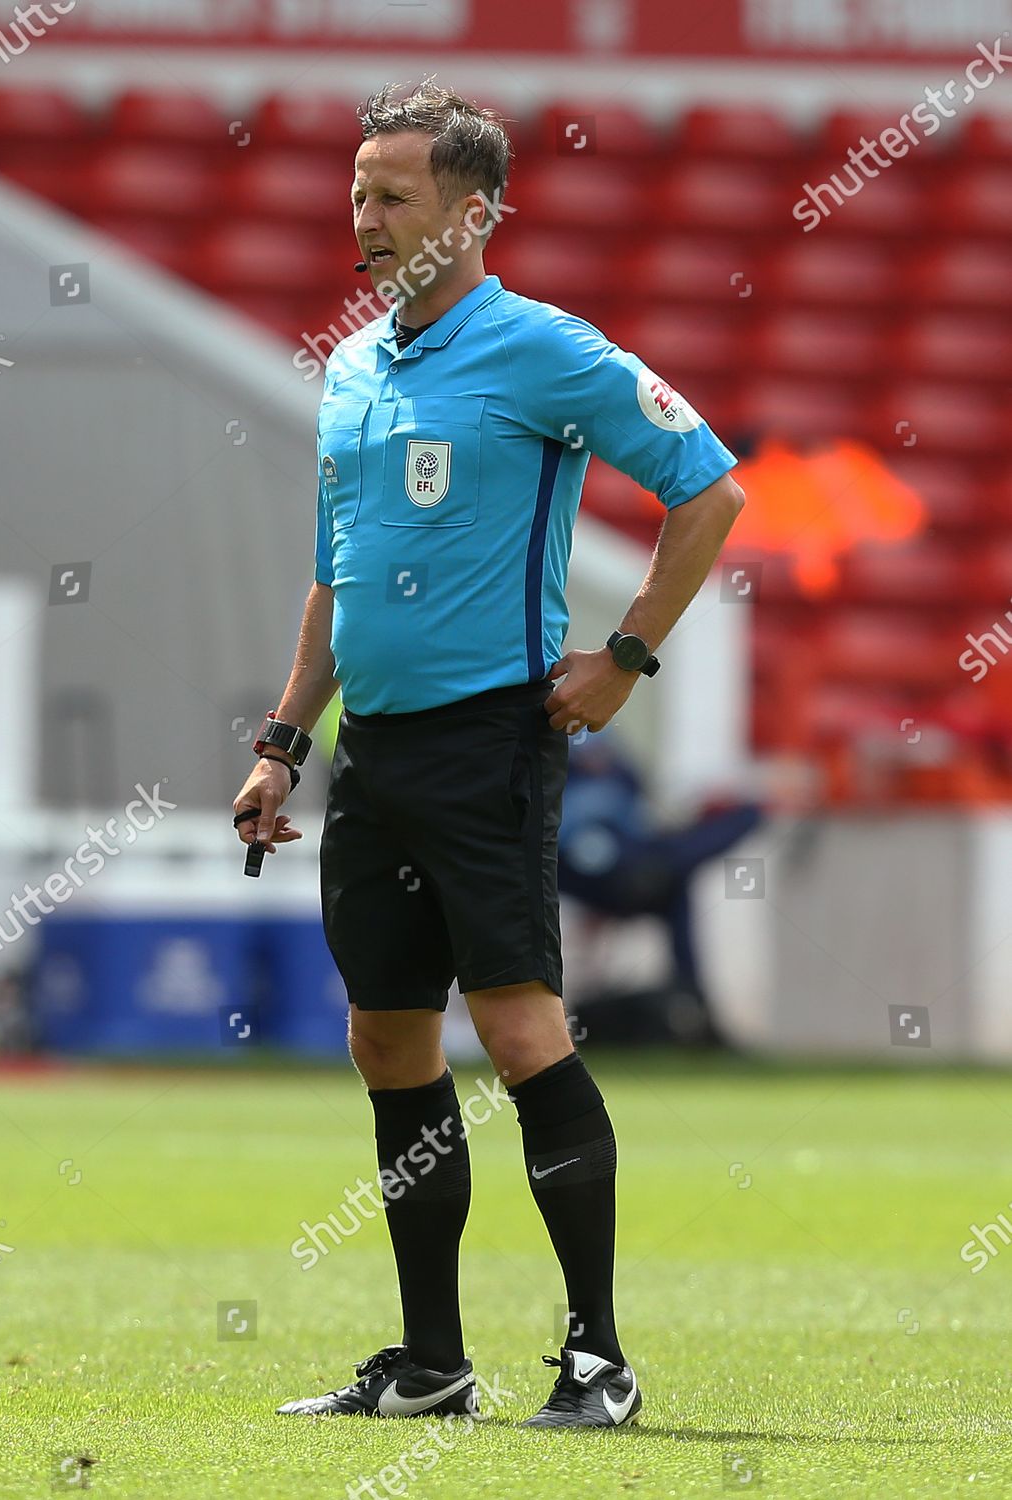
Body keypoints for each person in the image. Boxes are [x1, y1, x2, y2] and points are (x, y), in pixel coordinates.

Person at [233, 79, 744, 1429]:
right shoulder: (351, 367)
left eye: (394, 195)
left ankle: (594, 1362)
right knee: (387, 1040)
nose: (367, 215)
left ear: (474, 214)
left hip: (488, 742)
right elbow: (333, 578)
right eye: (357, 192)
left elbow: (708, 489)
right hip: (375, 755)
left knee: (517, 1030)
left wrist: (622, 657)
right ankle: (428, 1361)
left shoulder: (546, 352)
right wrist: (285, 741)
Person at [558, 737, 764, 1040]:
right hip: (590, 875)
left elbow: (647, 816)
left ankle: (693, 1003)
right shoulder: (555, 775)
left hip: (640, 862)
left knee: (677, 880)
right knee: (669, 873)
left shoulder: (623, 775)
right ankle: (696, 1007)